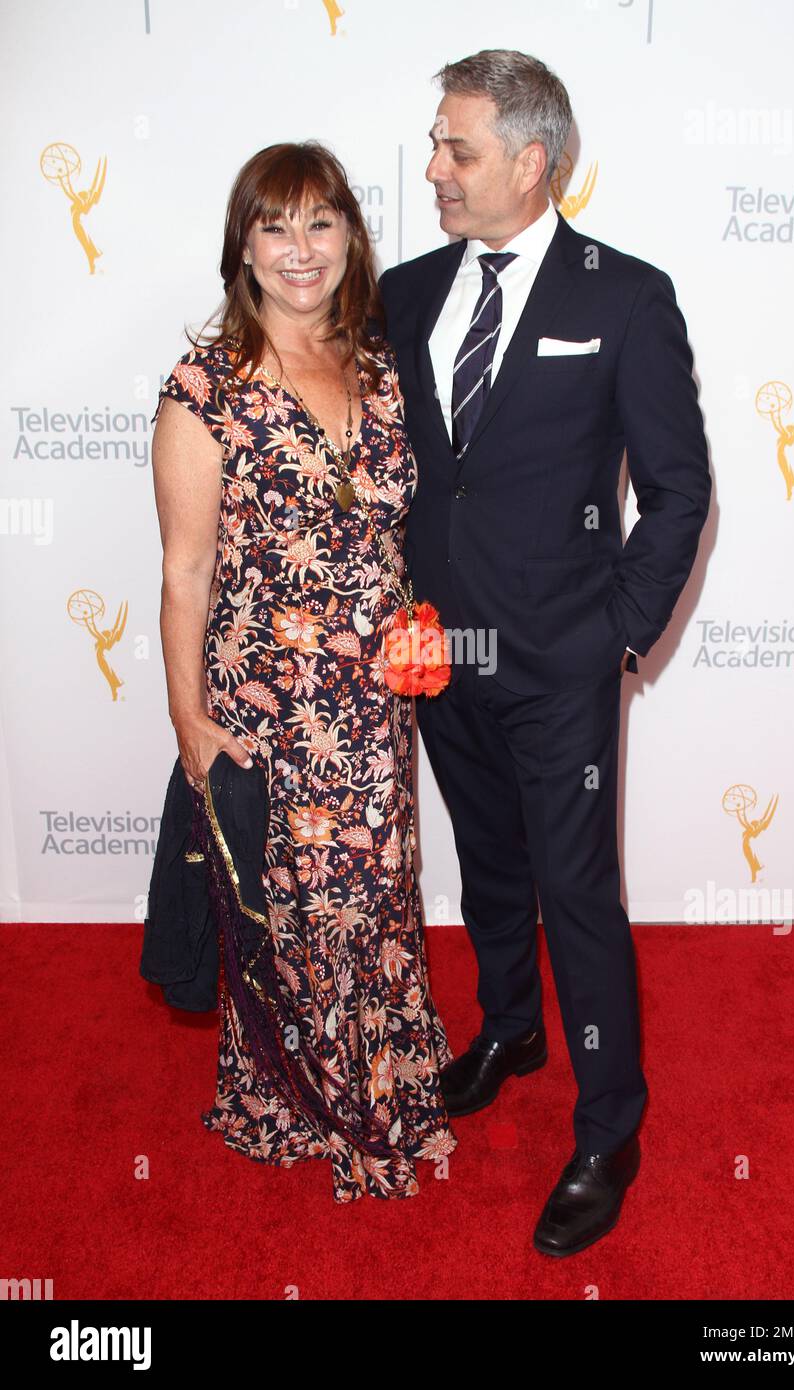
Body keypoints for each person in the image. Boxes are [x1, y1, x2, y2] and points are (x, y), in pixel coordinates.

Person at [379, 50, 711, 1254]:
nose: (433, 170)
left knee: (578, 895)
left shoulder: (623, 297)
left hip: (563, 660)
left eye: (457, 149)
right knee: (488, 867)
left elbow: (679, 492)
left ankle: (607, 1126)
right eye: (434, 144)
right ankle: (512, 1029)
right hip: (440, 651)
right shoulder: (407, 294)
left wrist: (616, 632)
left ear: (531, 160)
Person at [150, 141, 456, 1203]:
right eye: (274, 225)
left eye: (320, 222)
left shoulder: (381, 365)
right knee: (302, 905)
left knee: (377, 897)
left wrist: (418, 623)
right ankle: (321, 1105)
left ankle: (391, 1065)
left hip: (376, 702)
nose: (299, 249)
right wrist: (189, 717)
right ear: (241, 245)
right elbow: (186, 571)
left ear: (351, 237)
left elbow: (398, 531)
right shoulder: (205, 389)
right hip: (271, 706)